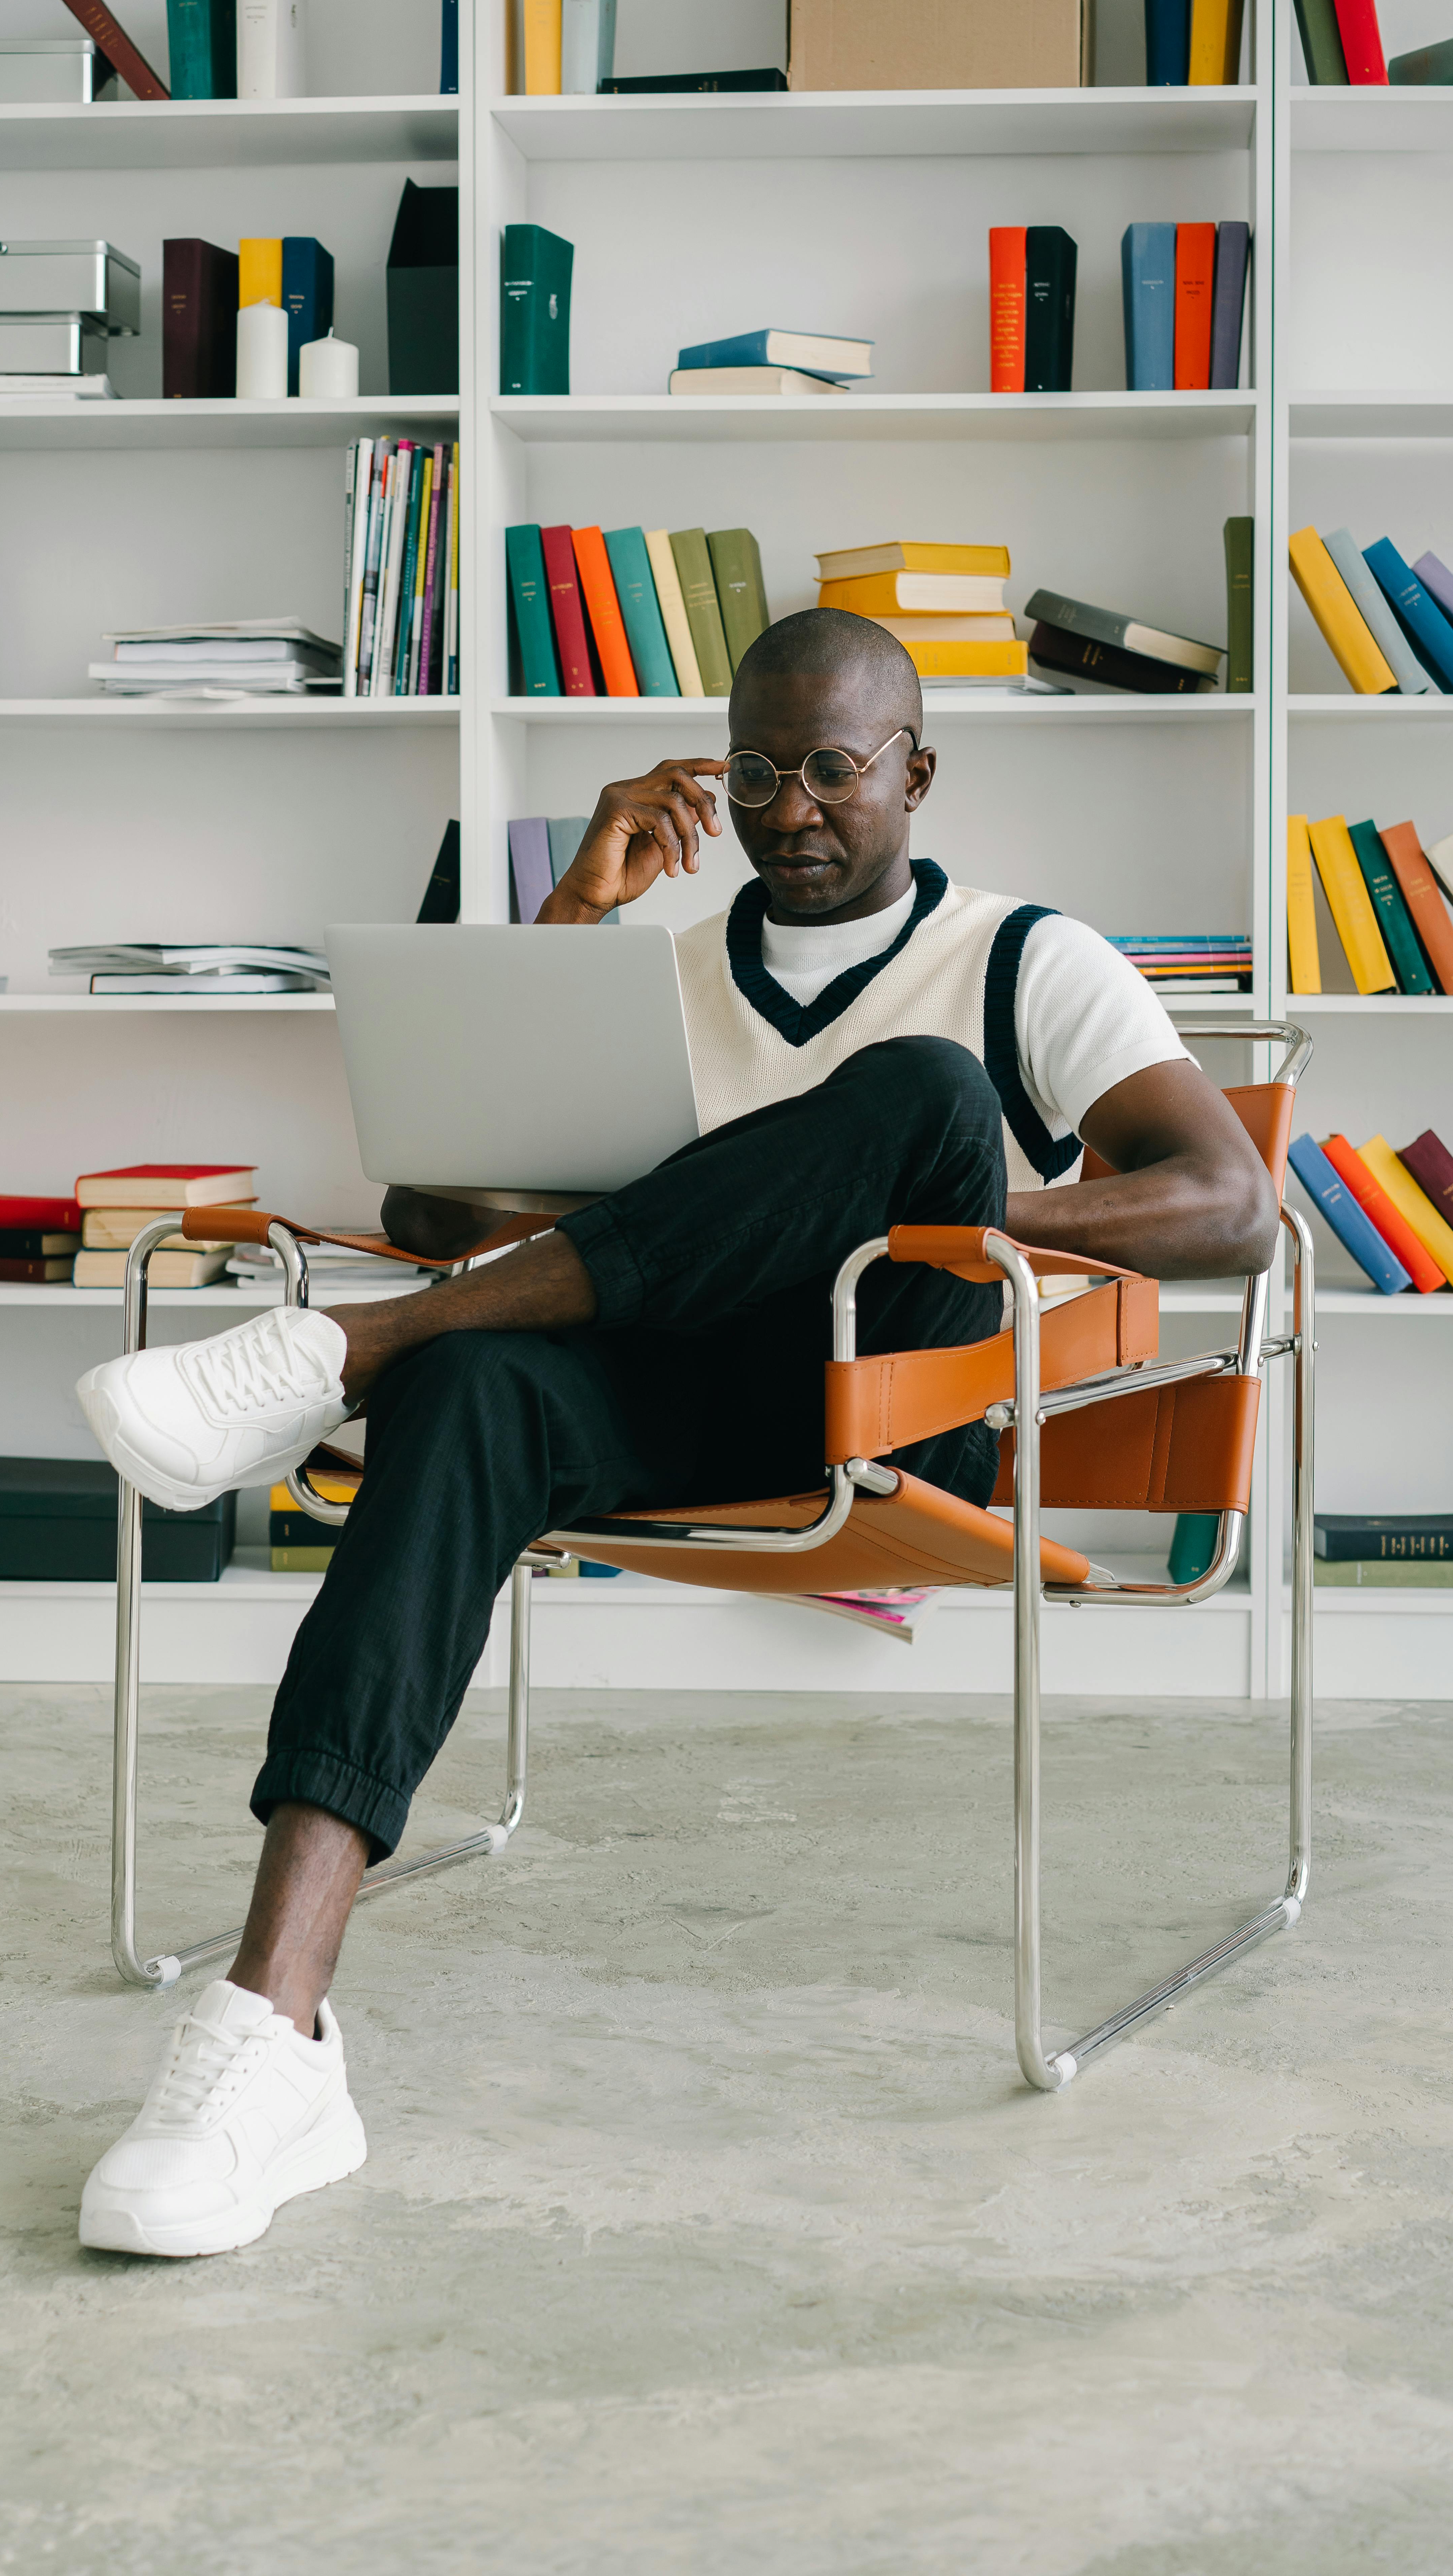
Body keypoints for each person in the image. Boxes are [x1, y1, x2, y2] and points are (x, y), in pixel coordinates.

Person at [73, 610, 1276, 2259]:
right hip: (682, 1404)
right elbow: (443, 1202)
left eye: (836, 770)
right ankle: (269, 2041)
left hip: (901, 1412)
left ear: (918, 771)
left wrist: (932, 1214)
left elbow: (1234, 1206)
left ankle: (336, 1350)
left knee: (920, 1094)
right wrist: (576, 922)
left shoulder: (1022, 957)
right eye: (760, 771)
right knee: (474, 1386)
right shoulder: (660, 971)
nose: (793, 810)